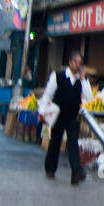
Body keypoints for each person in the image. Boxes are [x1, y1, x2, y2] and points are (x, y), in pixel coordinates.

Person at [42, 52, 93, 184]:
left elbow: (89, 98)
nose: (78, 65)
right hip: (58, 114)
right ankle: (50, 169)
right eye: (76, 62)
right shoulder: (58, 76)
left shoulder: (82, 80)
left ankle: (76, 172)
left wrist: (83, 79)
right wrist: (42, 111)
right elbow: (48, 94)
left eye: (80, 63)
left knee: (73, 143)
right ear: (70, 62)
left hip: (72, 116)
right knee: (55, 142)